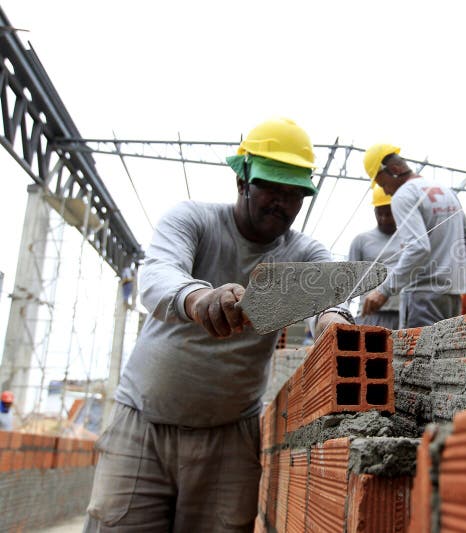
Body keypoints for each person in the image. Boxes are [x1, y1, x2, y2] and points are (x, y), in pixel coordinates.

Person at [84, 118, 352, 532]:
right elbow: (156, 278)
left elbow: (328, 296)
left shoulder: (302, 253)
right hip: (142, 427)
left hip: (229, 440)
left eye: (294, 193)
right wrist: (197, 298)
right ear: (242, 180)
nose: (282, 202)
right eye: (271, 188)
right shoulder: (194, 221)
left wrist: (335, 322)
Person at [360, 144, 466, 328]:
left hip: (422, 297)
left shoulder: (404, 195)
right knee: (446, 355)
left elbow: (418, 248)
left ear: (394, 170)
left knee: (417, 354)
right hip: (452, 297)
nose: (385, 191)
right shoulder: (446, 191)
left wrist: (383, 290)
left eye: (382, 183)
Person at [348, 184, 402, 329]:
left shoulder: (410, 239)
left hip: (402, 313)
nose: (384, 219)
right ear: (374, 211)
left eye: (388, 214)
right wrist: (341, 314)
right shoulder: (361, 241)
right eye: (379, 213)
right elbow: (347, 281)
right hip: (369, 315)